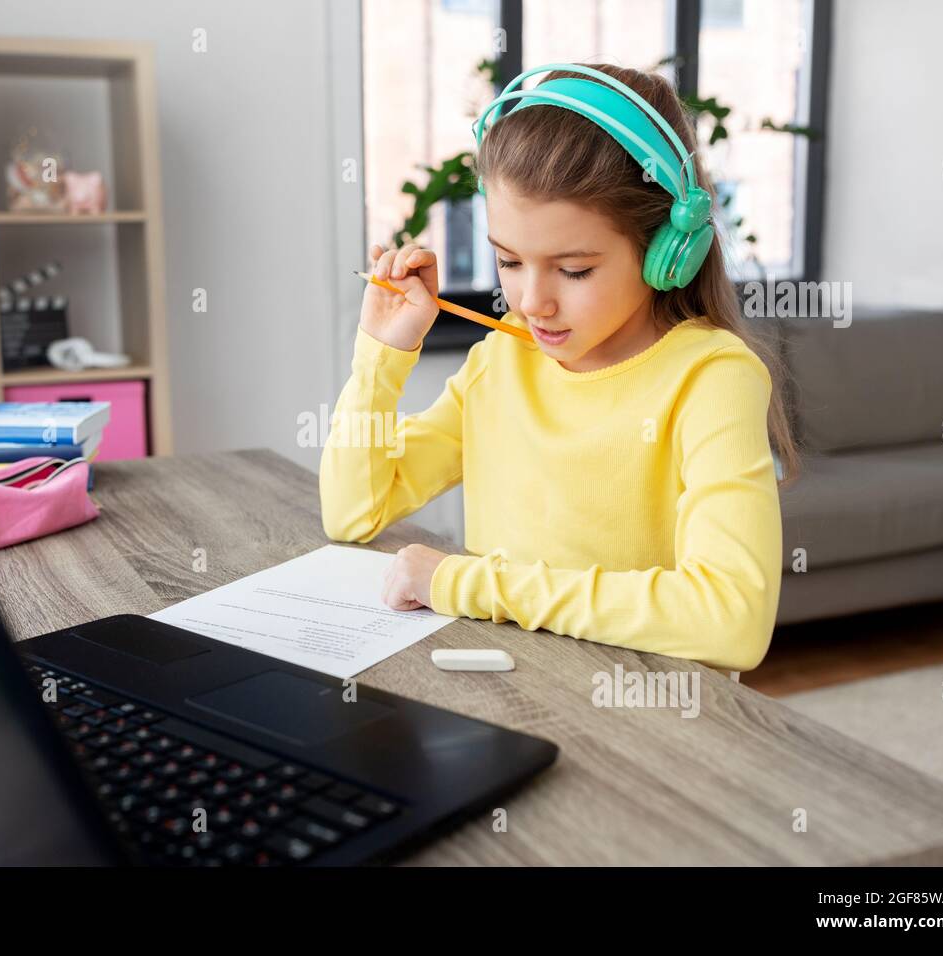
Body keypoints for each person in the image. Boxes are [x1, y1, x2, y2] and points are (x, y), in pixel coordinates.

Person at [320, 64, 799, 674]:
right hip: (515, 692)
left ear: (666, 254)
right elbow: (353, 510)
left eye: (574, 270)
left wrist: (468, 585)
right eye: (509, 260)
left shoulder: (712, 379)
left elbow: (731, 619)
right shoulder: (505, 356)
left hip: (654, 726)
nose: (530, 303)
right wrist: (379, 357)